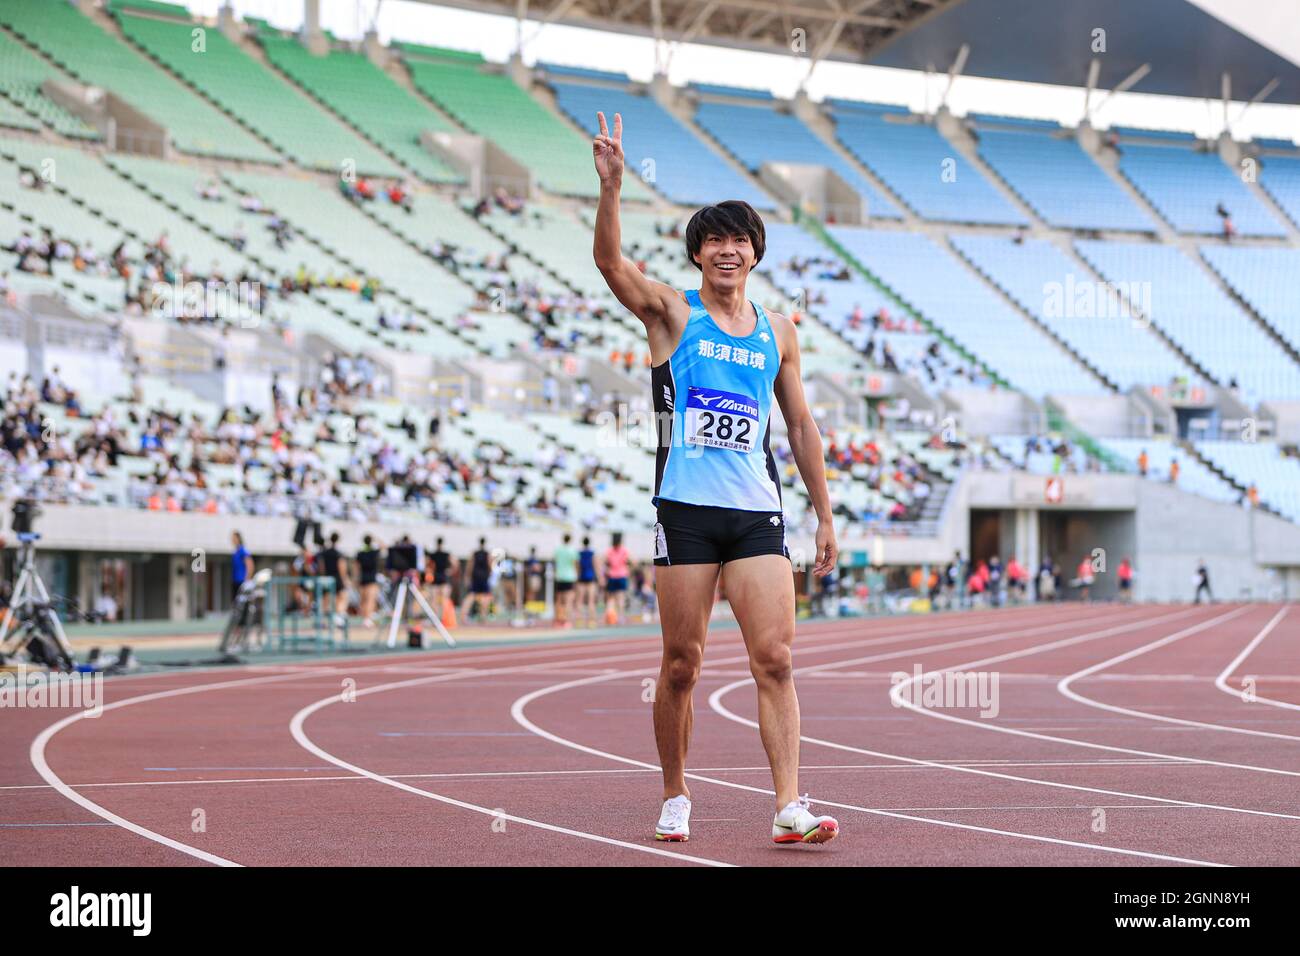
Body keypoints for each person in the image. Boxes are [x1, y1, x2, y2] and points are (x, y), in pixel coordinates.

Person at [592, 111, 839, 846]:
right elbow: (611, 266)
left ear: (755, 253)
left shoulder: (778, 331)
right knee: (680, 665)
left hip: (757, 513)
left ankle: (789, 805)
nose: (726, 251)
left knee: (777, 658)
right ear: (698, 254)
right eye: (713, 241)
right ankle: (675, 792)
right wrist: (612, 189)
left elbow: (798, 428)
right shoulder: (673, 312)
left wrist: (824, 514)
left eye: (739, 240)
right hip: (687, 510)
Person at [316, 532, 350, 624]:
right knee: (342, 598)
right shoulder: (339, 553)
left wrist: (324, 576)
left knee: (326, 600)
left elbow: (321, 567)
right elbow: (342, 568)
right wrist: (344, 580)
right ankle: (338, 617)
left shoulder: (324, 553)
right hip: (337, 578)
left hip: (327, 578)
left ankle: (321, 620)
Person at [461, 537, 493, 622]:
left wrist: (467, 577)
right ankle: (483, 616)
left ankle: (464, 616)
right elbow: (490, 566)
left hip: (476, 577)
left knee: (471, 596)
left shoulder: (474, 553)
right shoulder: (487, 554)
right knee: (485, 598)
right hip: (483, 578)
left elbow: (470, 566)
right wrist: (489, 574)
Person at [601, 531, 631, 625]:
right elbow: (629, 562)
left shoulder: (609, 551)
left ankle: (609, 618)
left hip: (612, 576)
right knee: (621, 597)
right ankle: (621, 618)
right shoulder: (624, 550)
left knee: (611, 598)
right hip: (622, 575)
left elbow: (606, 563)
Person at [553, 533, 579, 626]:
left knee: (559, 600)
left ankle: (557, 620)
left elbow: (555, 562)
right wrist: (577, 575)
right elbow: (575, 563)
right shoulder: (572, 550)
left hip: (559, 576)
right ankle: (567, 620)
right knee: (568, 600)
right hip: (569, 577)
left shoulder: (558, 550)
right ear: (570, 540)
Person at [356, 535, 381, 628]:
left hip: (363, 578)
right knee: (370, 599)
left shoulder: (360, 553)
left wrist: (356, 578)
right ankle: (367, 619)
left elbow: (357, 567)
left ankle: (365, 618)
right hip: (371, 578)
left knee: (363, 599)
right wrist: (376, 539)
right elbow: (383, 546)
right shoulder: (374, 552)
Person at [576, 535, 598, 627]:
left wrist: (577, 576)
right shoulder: (592, 553)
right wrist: (598, 577)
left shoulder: (579, 553)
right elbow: (595, 565)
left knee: (580, 600)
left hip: (581, 578)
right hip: (591, 577)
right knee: (591, 600)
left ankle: (580, 621)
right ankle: (592, 622)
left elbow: (577, 566)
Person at [230, 531, 253, 604]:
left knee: (241, 602)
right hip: (235, 580)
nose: (232, 540)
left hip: (241, 581)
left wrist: (247, 579)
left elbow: (250, 565)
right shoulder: (236, 551)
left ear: (238, 538)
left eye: (234, 538)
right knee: (235, 601)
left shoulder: (242, 550)